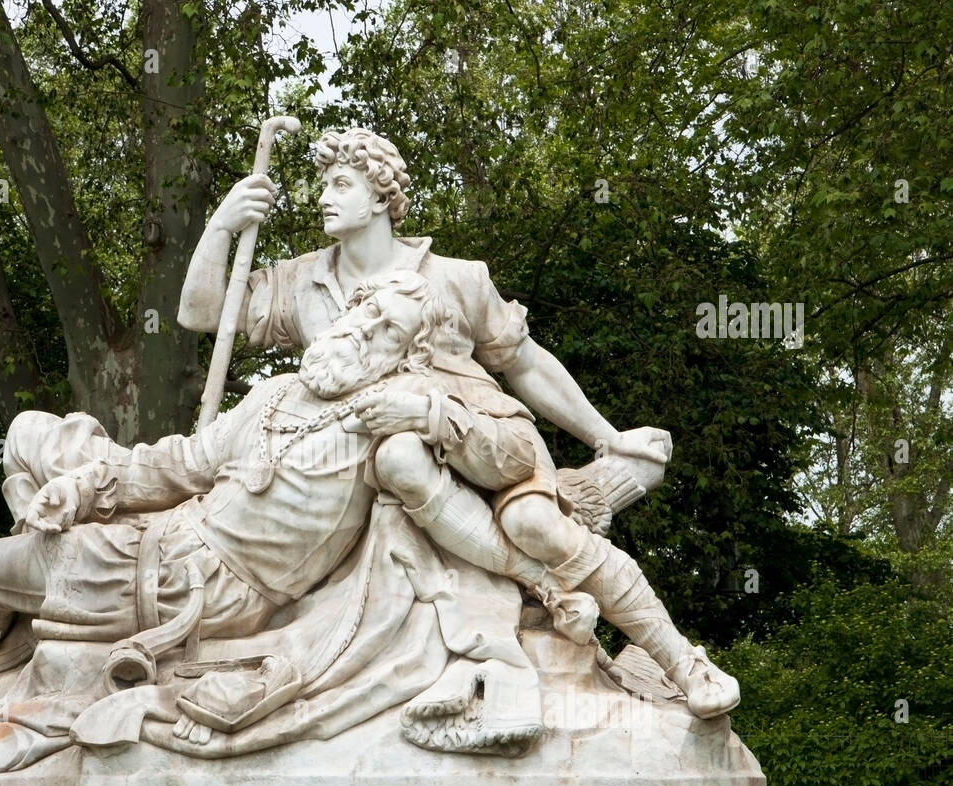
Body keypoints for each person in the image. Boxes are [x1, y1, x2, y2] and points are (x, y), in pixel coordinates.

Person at [175, 127, 738, 718]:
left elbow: (525, 365)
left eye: (341, 183)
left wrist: (605, 435)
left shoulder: (457, 278)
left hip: (481, 446)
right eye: (323, 183)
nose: (324, 196)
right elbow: (200, 312)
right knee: (393, 463)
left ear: (381, 197)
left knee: (538, 525)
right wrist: (222, 225)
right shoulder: (300, 282)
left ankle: (681, 660)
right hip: (370, 478)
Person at [0, 274, 536, 699]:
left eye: (384, 331)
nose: (361, 331)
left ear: (405, 357)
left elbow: (513, 460)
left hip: (201, 588)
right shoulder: (279, 392)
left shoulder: (388, 423)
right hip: (162, 540)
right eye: (363, 312)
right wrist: (81, 488)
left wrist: (433, 409)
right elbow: (177, 466)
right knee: (39, 464)